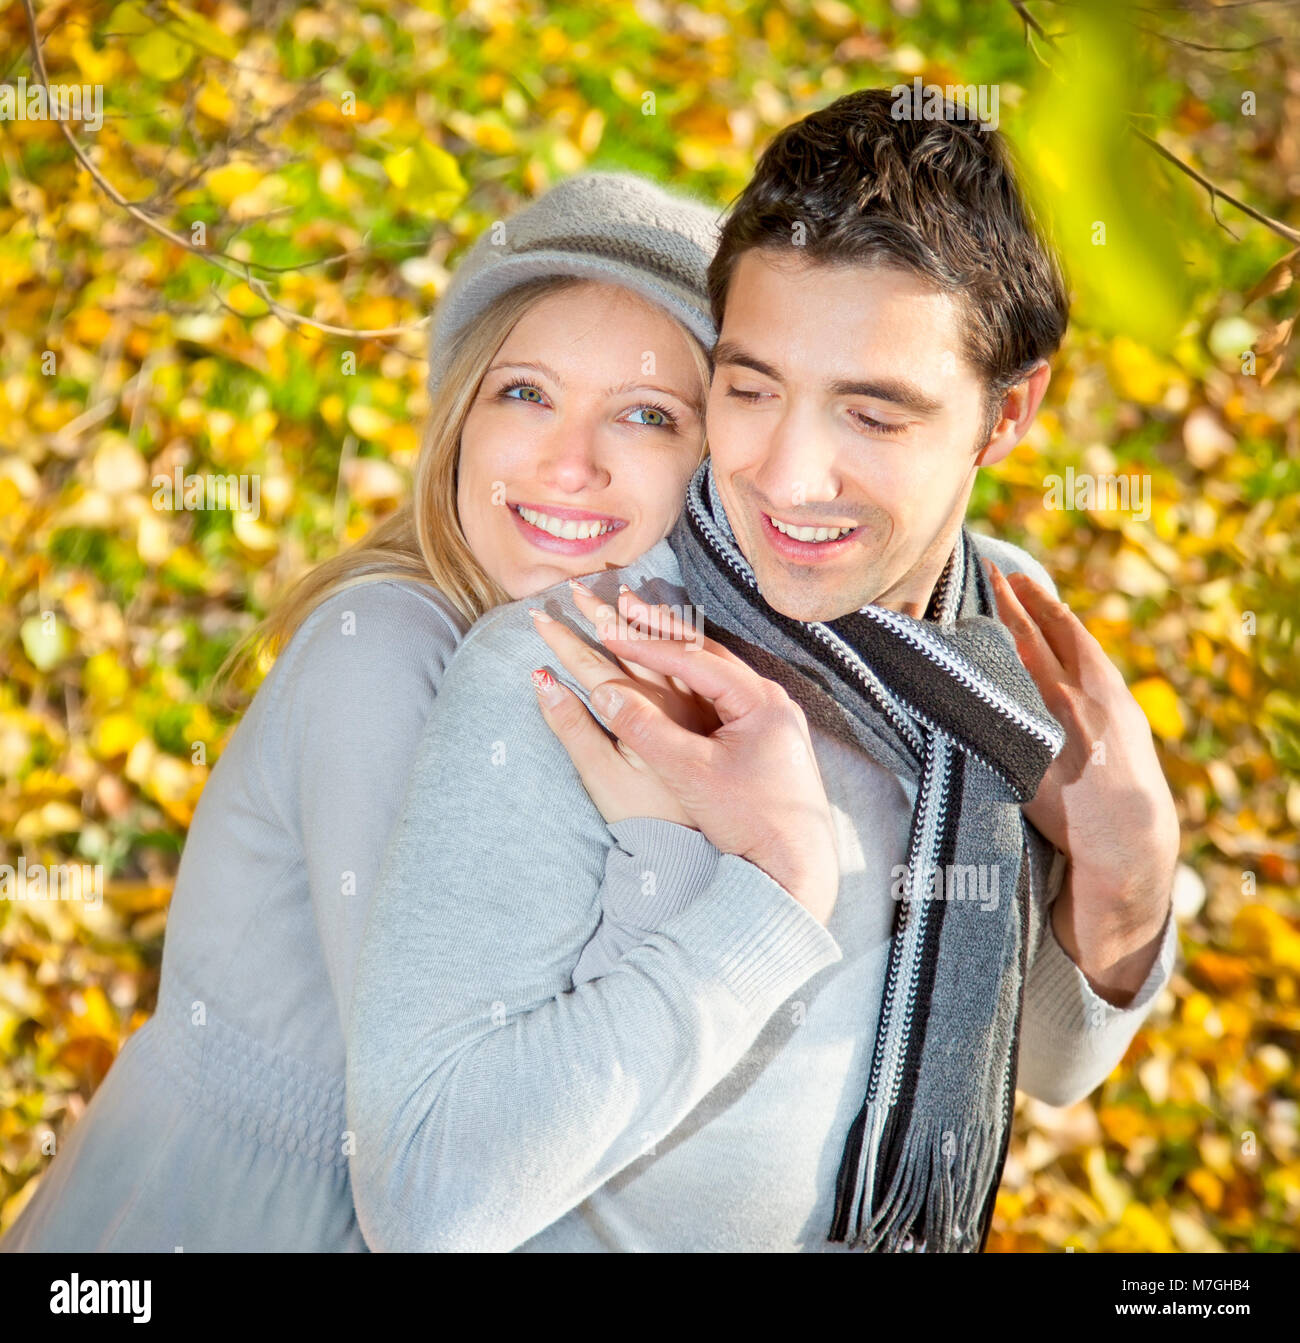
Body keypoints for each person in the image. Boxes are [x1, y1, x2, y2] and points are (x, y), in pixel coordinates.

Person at [346, 89, 1180, 1253]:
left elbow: (1046, 1062)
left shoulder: (1004, 637)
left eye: (874, 416)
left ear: (1007, 411)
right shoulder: (579, 668)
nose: (789, 477)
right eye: (749, 388)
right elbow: (419, 1199)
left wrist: (1129, 869)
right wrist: (768, 895)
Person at [0, 172, 723, 1251]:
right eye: (524, 392)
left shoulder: (635, 670)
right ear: (462, 420)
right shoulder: (382, 648)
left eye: (646, 414)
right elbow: (451, 1115)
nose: (569, 462)